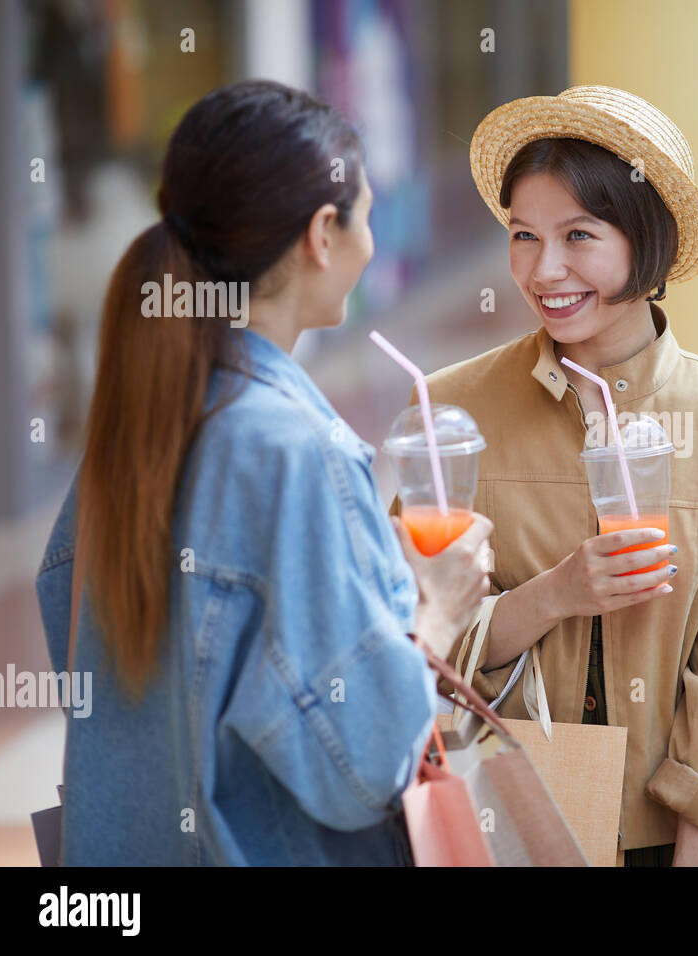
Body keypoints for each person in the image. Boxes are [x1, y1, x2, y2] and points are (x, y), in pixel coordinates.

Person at [34, 79, 491, 865]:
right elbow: (363, 768)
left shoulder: (137, 425)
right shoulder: (292, 453)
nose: (371, 241)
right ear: (322, 233)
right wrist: (438, 610)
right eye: (369, 216)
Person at [407, 86, 698, 867]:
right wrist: (554, 595)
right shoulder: (453, 409)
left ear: (646, 242)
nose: (543, 269)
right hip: (500, 821)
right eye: (524, 235)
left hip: (671, 839)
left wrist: (695, 857)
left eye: (578, 235)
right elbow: (408, 624)